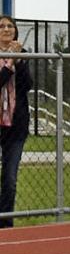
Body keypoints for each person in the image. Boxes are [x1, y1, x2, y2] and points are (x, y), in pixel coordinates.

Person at [0, 16, 30, 228]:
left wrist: (18, 60)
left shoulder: (24, 54)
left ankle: (5, 223)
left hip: (15, 126)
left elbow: (27, 84)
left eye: (10, 26)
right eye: (1, 26)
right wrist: (9, 60)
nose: (6, 29)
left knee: (10, 180)